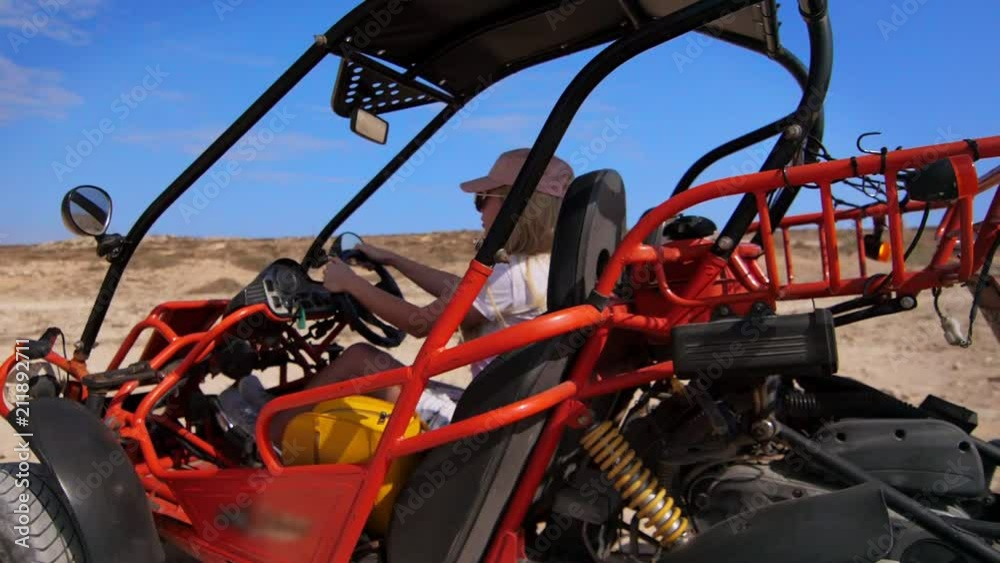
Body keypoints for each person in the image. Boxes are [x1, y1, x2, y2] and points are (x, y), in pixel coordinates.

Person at [268, 149, 574, 438]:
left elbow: (418, 323)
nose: (478, 209)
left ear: (517, 208)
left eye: (484, 199)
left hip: (477, 422)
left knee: (359, 359)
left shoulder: (510, 275)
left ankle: (268, 435)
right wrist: (394, 260)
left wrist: (350, 283)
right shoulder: (543, 267)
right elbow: (460, 291)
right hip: (501, 410)